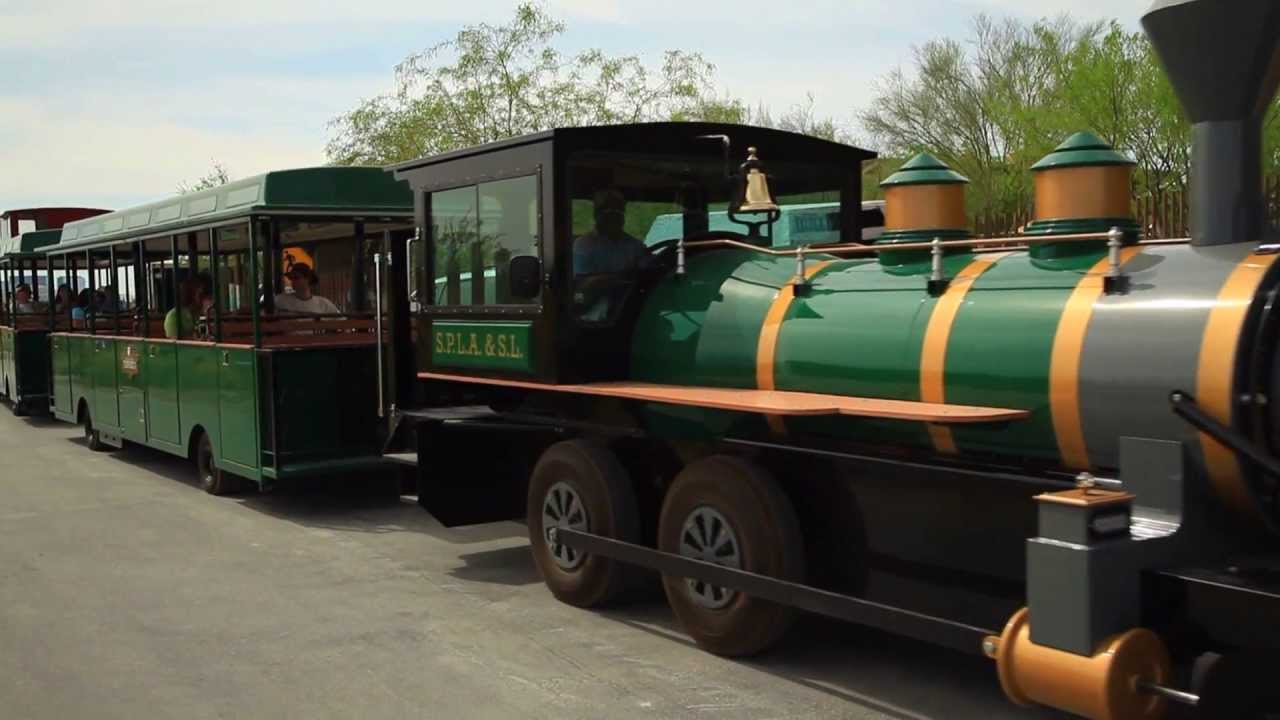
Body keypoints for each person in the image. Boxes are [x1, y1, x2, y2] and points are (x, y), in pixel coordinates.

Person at [572, 188, 648, 276]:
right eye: (606, 209)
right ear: (596, 214)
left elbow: (650, 270)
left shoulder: (636, 246)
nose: (613, 213)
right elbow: (583, 283)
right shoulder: (583, 245)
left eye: (618, 209)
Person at [274, 262, 340, 315]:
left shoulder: (323, 303)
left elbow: (340, 321)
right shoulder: (280, 300)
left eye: (296, 278)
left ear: (308, 279)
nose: (293, 281)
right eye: (291, 278)